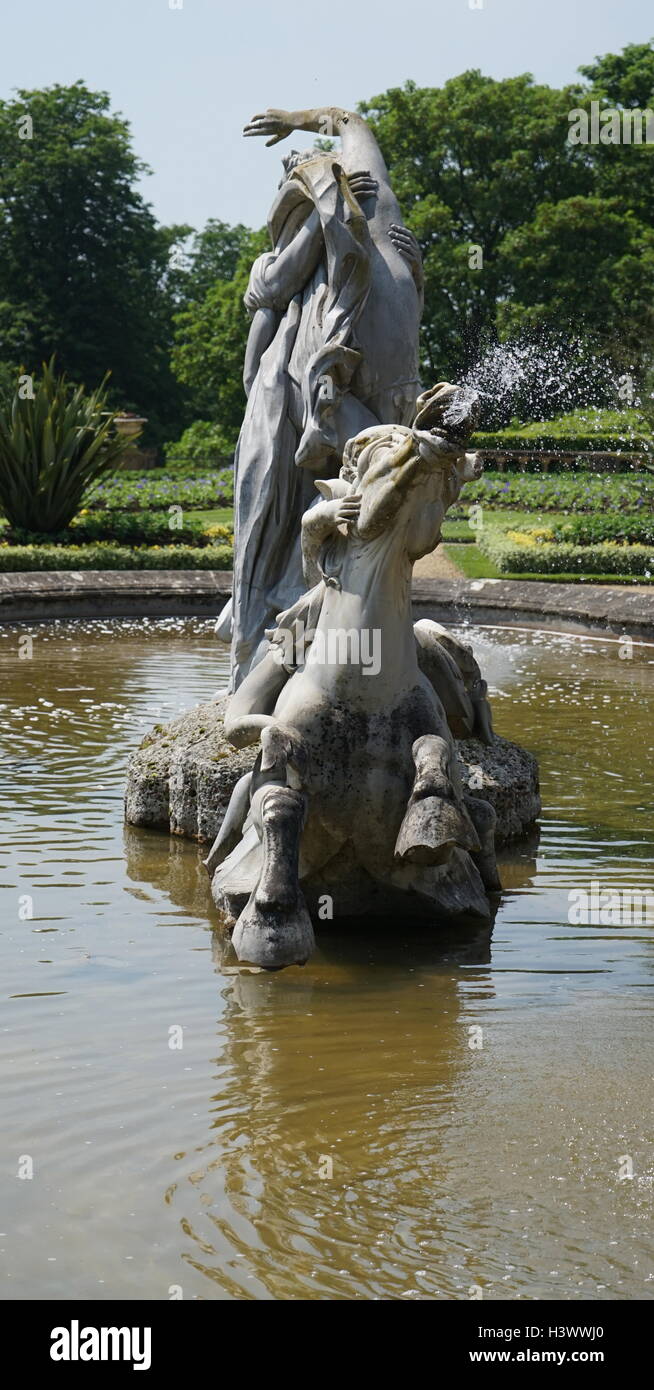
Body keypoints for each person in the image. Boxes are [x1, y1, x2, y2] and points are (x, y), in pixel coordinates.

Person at [219, 105, 424, 687]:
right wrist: (326, 205)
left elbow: (351, 121)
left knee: (336, 513)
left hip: (326, 392)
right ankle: (265, 658)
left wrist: (301, 132)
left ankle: (336, 651)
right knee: (282, 515)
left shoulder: (364, 235)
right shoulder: (300, 253)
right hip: (285, 393)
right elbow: (275, 288)